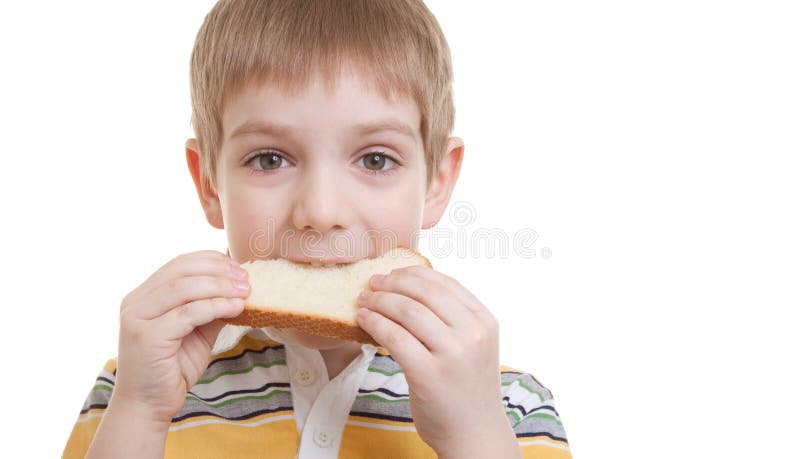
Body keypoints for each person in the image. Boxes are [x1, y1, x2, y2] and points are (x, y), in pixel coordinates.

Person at [62, 0, 570, 457]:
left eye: (375, 159)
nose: (322, 211)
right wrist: (140, 412)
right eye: (269, 159)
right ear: (210, 186)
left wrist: (474, 435)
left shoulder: (510, 408)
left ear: (436, 183)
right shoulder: (134, 386)